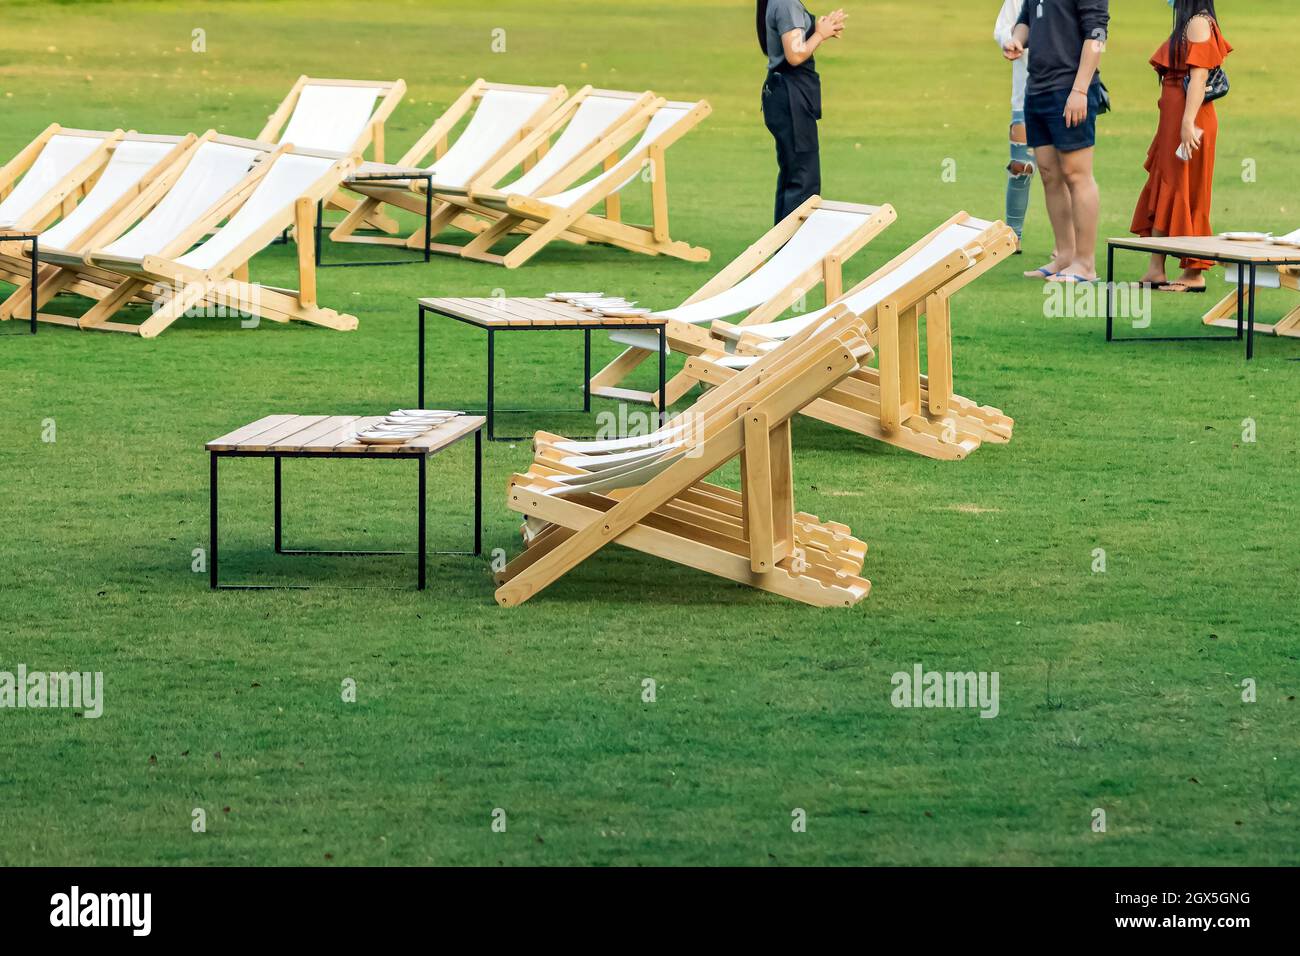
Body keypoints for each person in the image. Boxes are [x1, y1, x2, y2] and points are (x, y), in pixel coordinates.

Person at [1003, 0, 1109, 284]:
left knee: (1077, 174)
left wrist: (1080, 90)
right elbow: (1026, 19)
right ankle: (1064, 255)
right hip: (1037, 88)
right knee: (1049, 174)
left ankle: (1085, 264)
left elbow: (1096, 35)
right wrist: (1017, 40)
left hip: (1070, 89)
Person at [1131, 2, 1232, 293]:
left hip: (1190, 119)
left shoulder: (1200, 23)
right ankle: (1155, 269)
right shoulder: (1188, 23)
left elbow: (1198, 78)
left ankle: (1194, 272)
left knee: (1185, 187)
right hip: (1174, 118)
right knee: (1164, 184)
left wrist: (1187, 123)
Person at [757, 0, 846, 224]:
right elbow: (795, 55)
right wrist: (820, 35)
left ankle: (782, 249)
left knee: (791, 176)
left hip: (780, 94)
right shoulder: (787, 4)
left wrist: (818, 29)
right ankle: (794, 252)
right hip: (791, 96)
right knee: (803, 179)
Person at [994, 0, 1033, 251]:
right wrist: (1009, 41)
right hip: (1024, 94)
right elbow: (1003, 27)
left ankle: (1068, 247)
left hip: (1065, 96)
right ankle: (1013, 235)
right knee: (1021, 167)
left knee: (1065, 174)